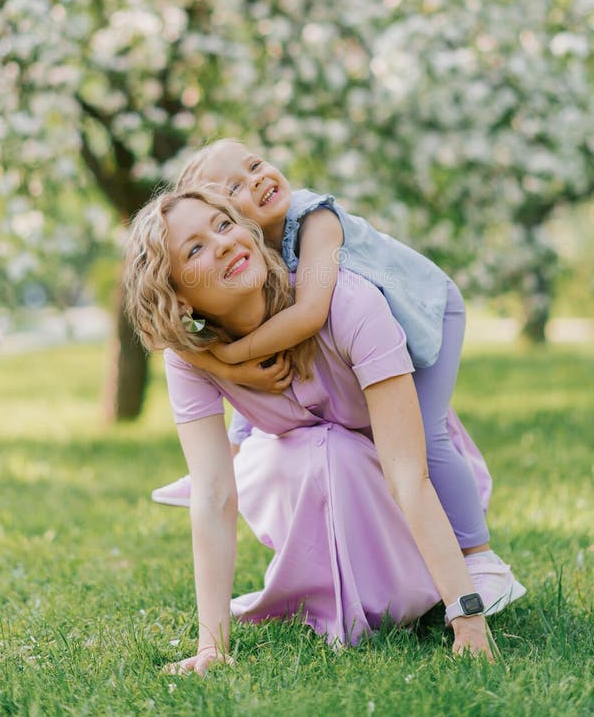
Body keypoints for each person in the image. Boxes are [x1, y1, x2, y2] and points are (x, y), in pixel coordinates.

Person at [124, 186, 514, 674]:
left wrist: (468, 620)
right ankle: (329, 591)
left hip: (406, 485)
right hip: (308, 480)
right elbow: (214, 493)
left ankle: (421, 586)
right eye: (195, 248)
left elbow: (409, 473)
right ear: (178, 295)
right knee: (293, 452)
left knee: (333, 450)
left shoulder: (348, 302)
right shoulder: (193, 359)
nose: (222, 243)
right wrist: (212, 646)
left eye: (224, 225)